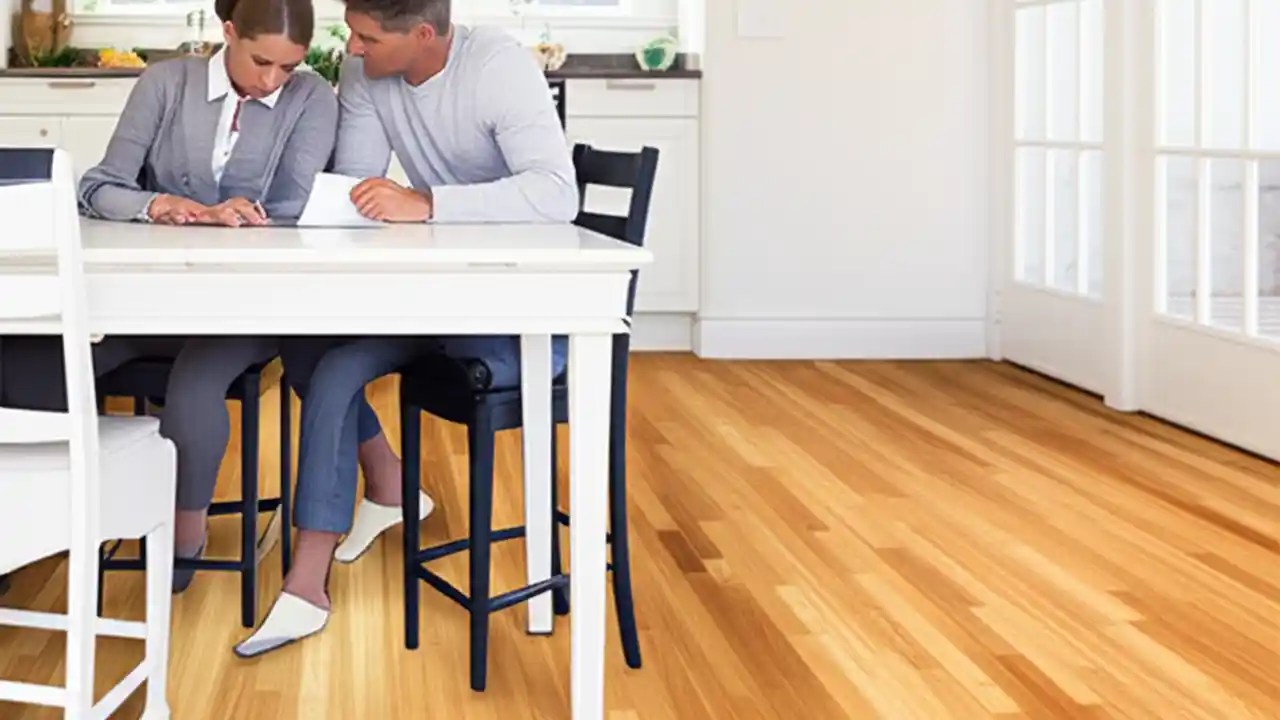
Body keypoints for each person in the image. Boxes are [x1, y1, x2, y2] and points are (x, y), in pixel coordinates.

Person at [233, 0, 578, 657]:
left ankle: (308, 582)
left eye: (365, 37)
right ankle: (388, 488)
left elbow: (557, 194)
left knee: (334, 368)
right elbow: (361, 186)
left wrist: (429, 203)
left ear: (423, 35)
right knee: (306, 343)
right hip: (429, 297)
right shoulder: (368, 75)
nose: (352, 50)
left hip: (507, 313)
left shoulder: (497, 66)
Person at [0, 0, 337, 593]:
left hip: (245, 305)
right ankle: (45, 520)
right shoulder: (166, 82)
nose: (271, 81)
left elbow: (296, 209)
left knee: (194, 386)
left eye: (288, 67)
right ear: (227, 32)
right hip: (148, 297)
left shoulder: (311, 99)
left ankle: (181, 539)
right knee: (27, 358)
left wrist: (243, 218)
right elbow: (100, 187)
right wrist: (165, 206)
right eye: (261, 61)